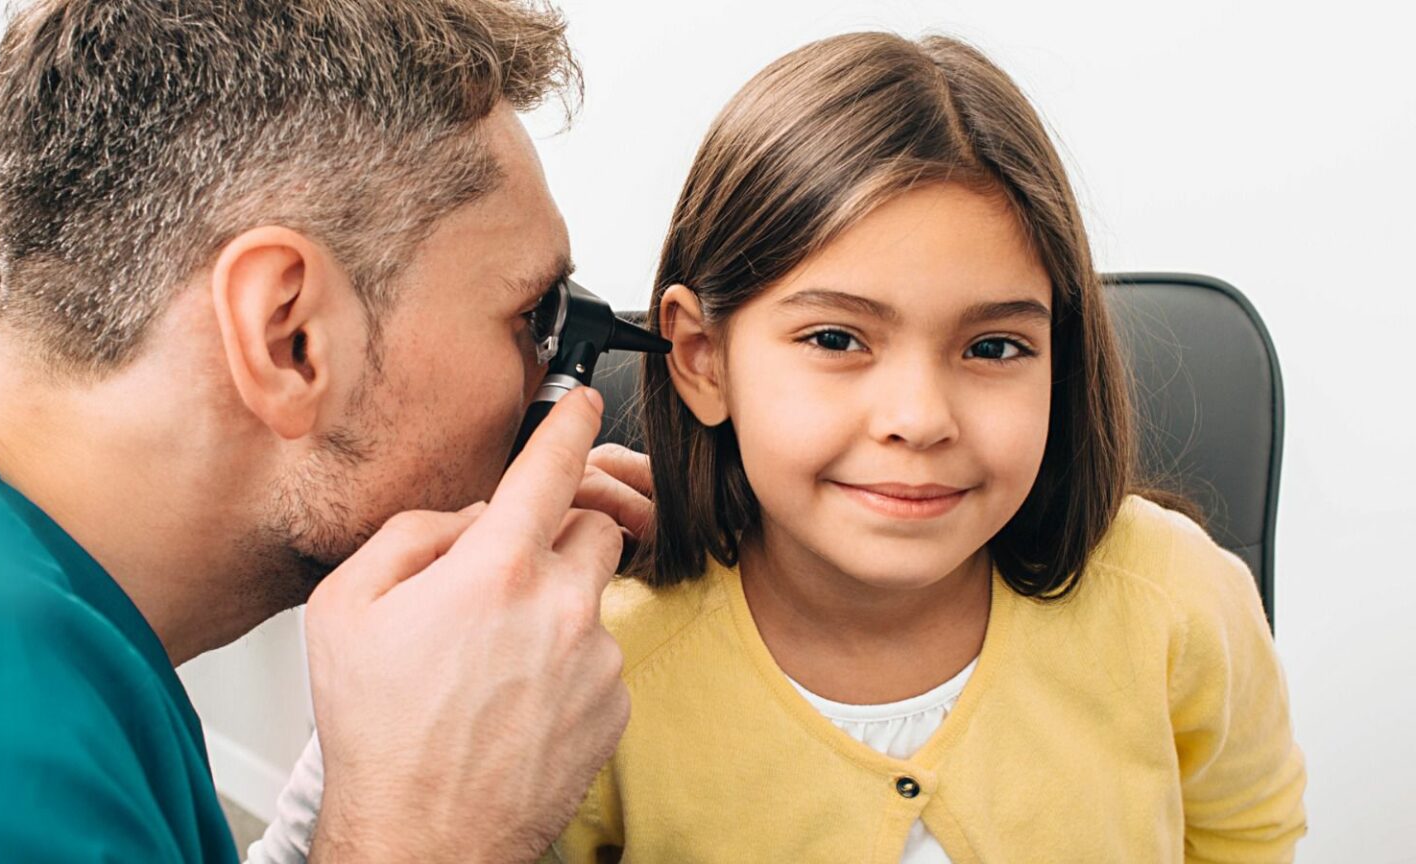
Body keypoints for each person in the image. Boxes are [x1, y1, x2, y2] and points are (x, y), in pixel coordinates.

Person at [0, 1, 653, 861]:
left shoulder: (7, 641)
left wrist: (371, 776)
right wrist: (426, 833)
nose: (553, 377)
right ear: (290, 338)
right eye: (533, 316)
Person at [552, 31, 1305, 862]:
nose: (919, 419)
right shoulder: (588, 670)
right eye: (836, 339)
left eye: (993, 348)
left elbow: (1248, 832)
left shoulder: (1177, 596)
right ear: (702, 358)